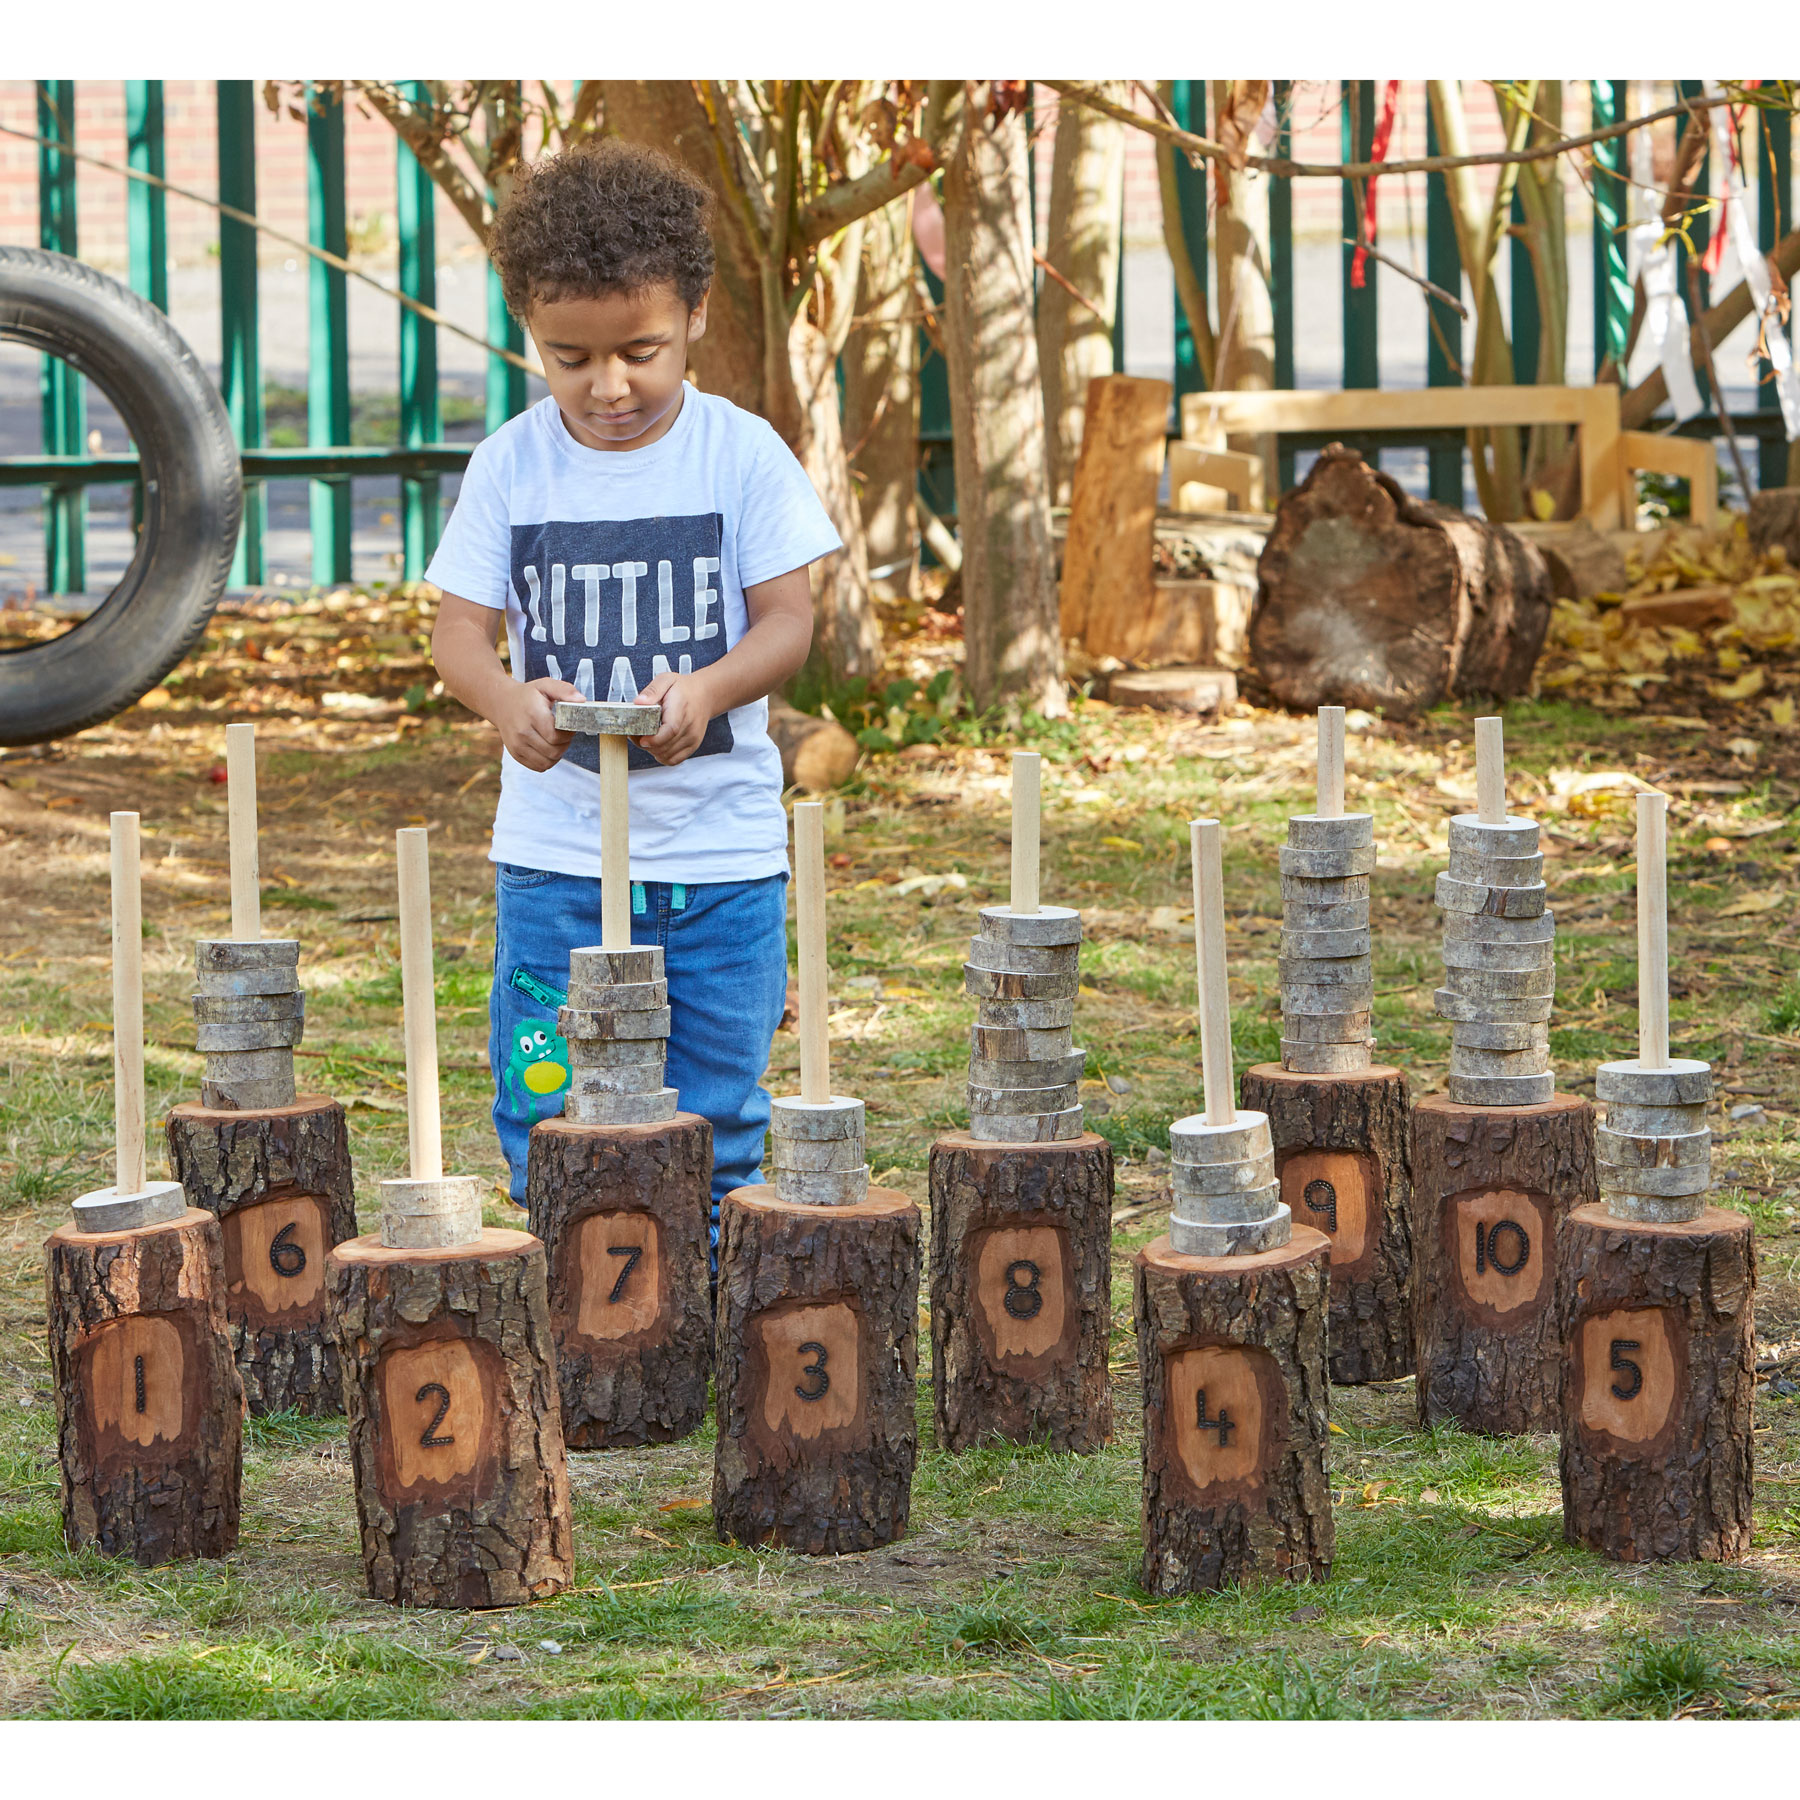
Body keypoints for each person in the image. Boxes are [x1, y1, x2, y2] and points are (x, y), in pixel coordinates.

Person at [428, 140, 839, 1228]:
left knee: (717, 1101)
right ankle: (566, 1262)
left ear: (695, 314)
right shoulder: (510, 465)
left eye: (641, 352)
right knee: (545, 1089)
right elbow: (458, 634)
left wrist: (708, 688)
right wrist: (504, 697)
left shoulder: (742, 455)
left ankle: (708, 1269)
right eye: (569, 357)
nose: (608, 386)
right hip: (555, 863)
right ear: (529, 330)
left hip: (720, 863)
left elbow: (788, 623)